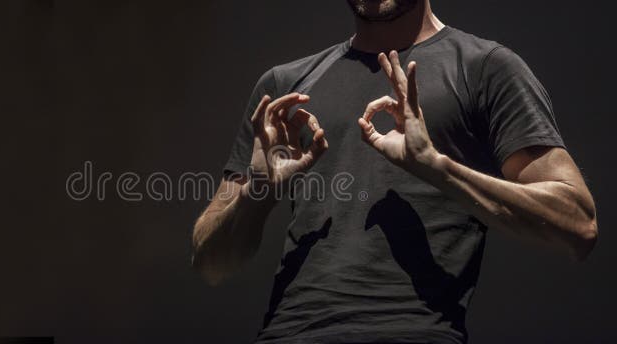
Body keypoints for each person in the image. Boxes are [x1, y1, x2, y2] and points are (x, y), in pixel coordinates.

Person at [190, 0, 598, 343]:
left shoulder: (484, 69)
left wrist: (437, 167)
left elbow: (577, 225)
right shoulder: (285, 85)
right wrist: (257, 192)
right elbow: (210, 263)